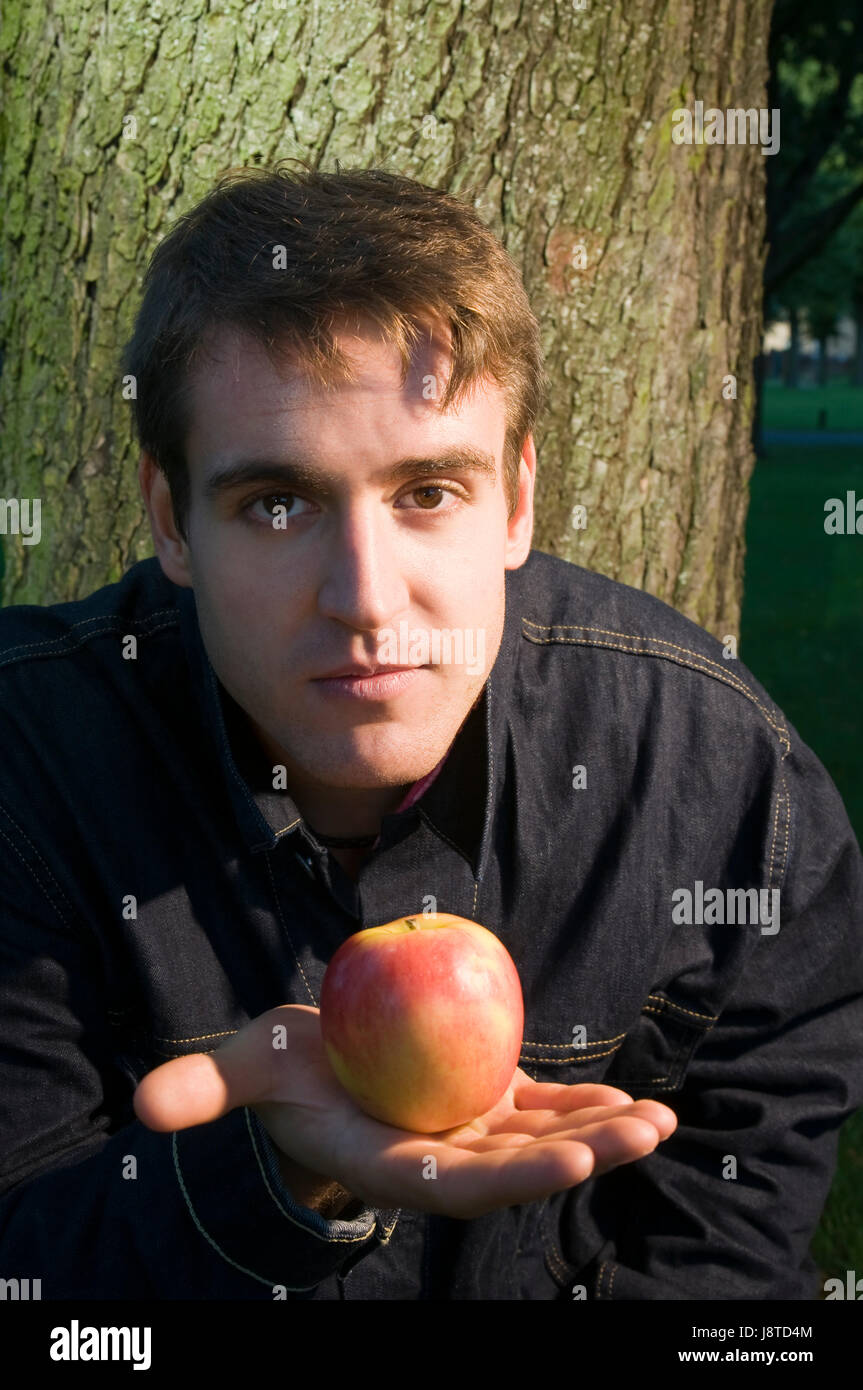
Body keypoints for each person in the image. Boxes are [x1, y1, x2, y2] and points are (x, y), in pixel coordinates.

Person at [0, 164, 860, 1302]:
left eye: (426, 493)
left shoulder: (709, 772)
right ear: (171, 519)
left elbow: (729, 1262)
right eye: (278, 503)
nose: (364, 596)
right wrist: (271, 1176)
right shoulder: (30, 766)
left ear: (514, 502)